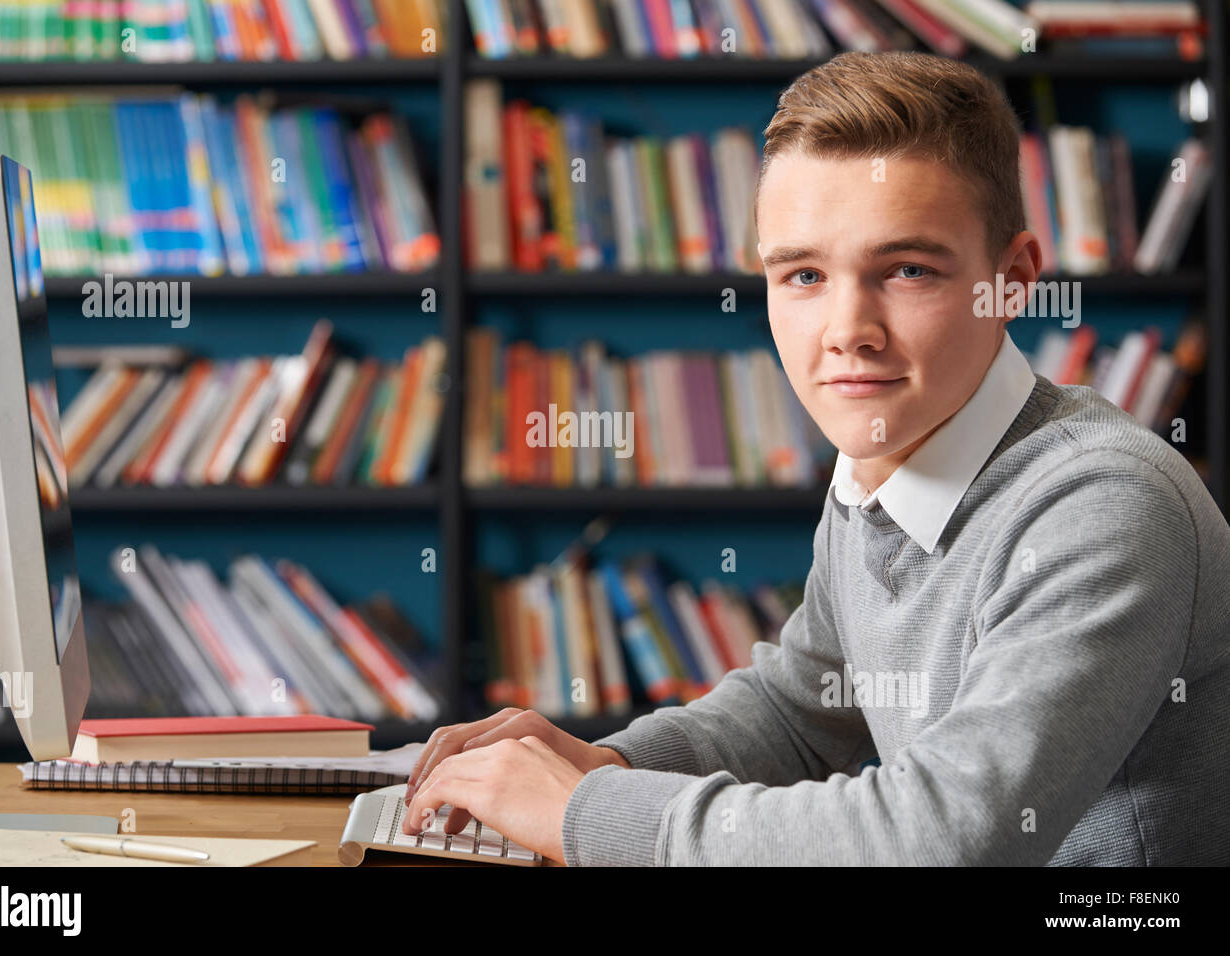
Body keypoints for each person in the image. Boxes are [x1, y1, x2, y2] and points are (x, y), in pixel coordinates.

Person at [401, 50, 1230, 865]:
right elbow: (800, 715)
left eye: (907, 270)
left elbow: (941, 839)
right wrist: (609, 762)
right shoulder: (886, 457)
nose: (847, 332)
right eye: (802, 275)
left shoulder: (1108, 508)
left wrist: (584, 814)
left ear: (1011, 280)